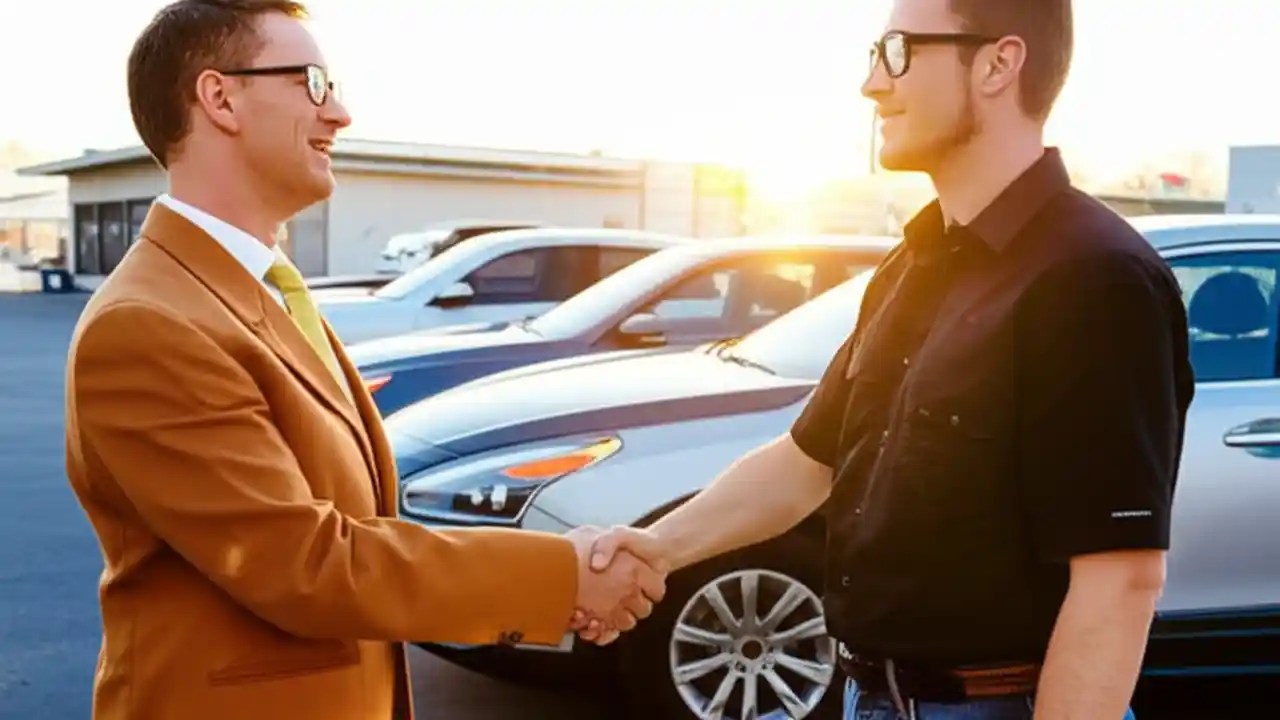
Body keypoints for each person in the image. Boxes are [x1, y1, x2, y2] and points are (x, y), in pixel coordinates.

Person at [591, 0, 1195, 717]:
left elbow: (1119, 580)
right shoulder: (915, 261)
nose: (873, 84)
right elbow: (807, 463)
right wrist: (655, 548)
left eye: (899, 52)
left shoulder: (1093, 278)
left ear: (999, 64)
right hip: (870, 695)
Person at [63, 2, 664, 719]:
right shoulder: (148, 325)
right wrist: (564, 577)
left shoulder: (256, 288)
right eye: (313, 83)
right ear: (220, 98)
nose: (340, 113)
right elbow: (305, 562)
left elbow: (355, 528)